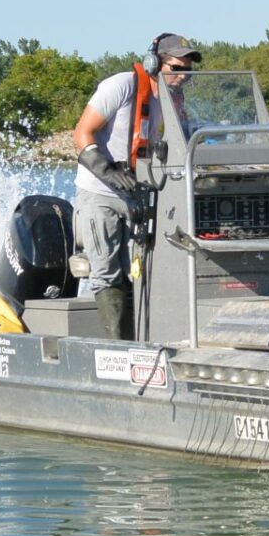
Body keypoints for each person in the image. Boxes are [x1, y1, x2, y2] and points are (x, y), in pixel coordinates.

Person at [72, 33, 201, 339]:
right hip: (100, 192)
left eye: (188, 71)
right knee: (106, 270)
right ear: (154, 63)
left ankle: (152, 336)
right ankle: (118, 349)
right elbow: (81, 133)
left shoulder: (176, 103)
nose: (182, 76)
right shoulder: (121, 86)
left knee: (148, 266)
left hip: (140, 193)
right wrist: (106, 170)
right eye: (176, 68)